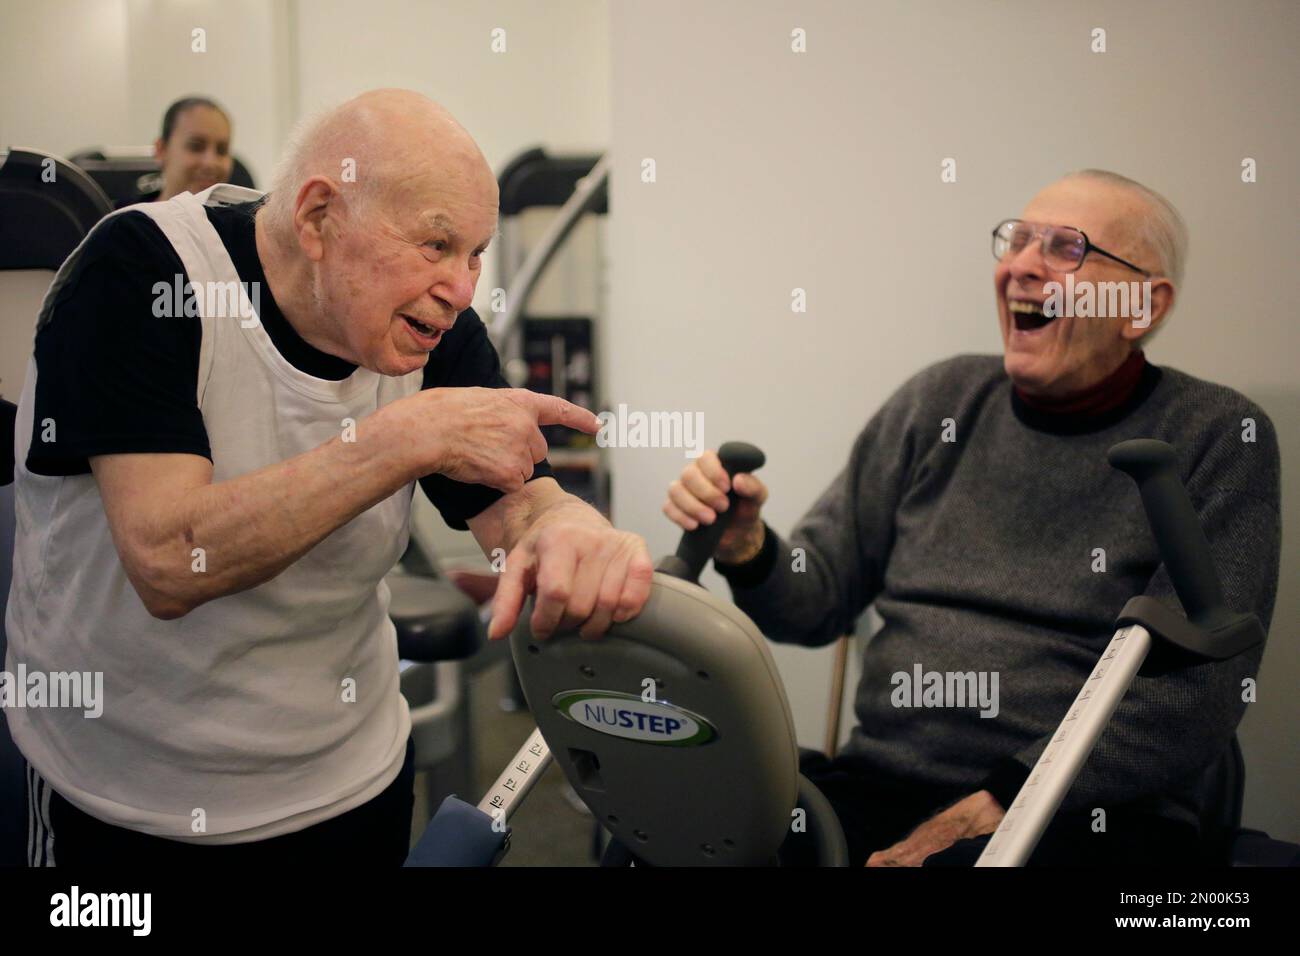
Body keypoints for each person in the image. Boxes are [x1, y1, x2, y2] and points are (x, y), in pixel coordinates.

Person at [7, 88, 653, 866]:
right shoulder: (142, 275)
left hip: (350, 780)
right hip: (131, 805)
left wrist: (565, 527)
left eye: (475, 253)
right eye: (437, 245)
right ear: (318, 219)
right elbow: (170, 559)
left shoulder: (432, 324)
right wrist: (402, 439)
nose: (461, 286)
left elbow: (517, 501)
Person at [664, 170, 1281, 867]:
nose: (1018, 265)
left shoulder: (1218, 436)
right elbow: (811, 606)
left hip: (1087, 810)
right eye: (1016, 242)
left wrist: (1013, 795)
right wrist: (749, 547)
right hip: (885, 783)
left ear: (1140, 304)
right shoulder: (940, 403)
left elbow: (1197, 695)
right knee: (697, 830)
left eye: (1063, 248)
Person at [116, 96, 235, 207]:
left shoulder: (243, 226)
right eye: (196, 147)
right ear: (161, 150)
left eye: (222, 150)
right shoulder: (125, 224)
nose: (210, 163)